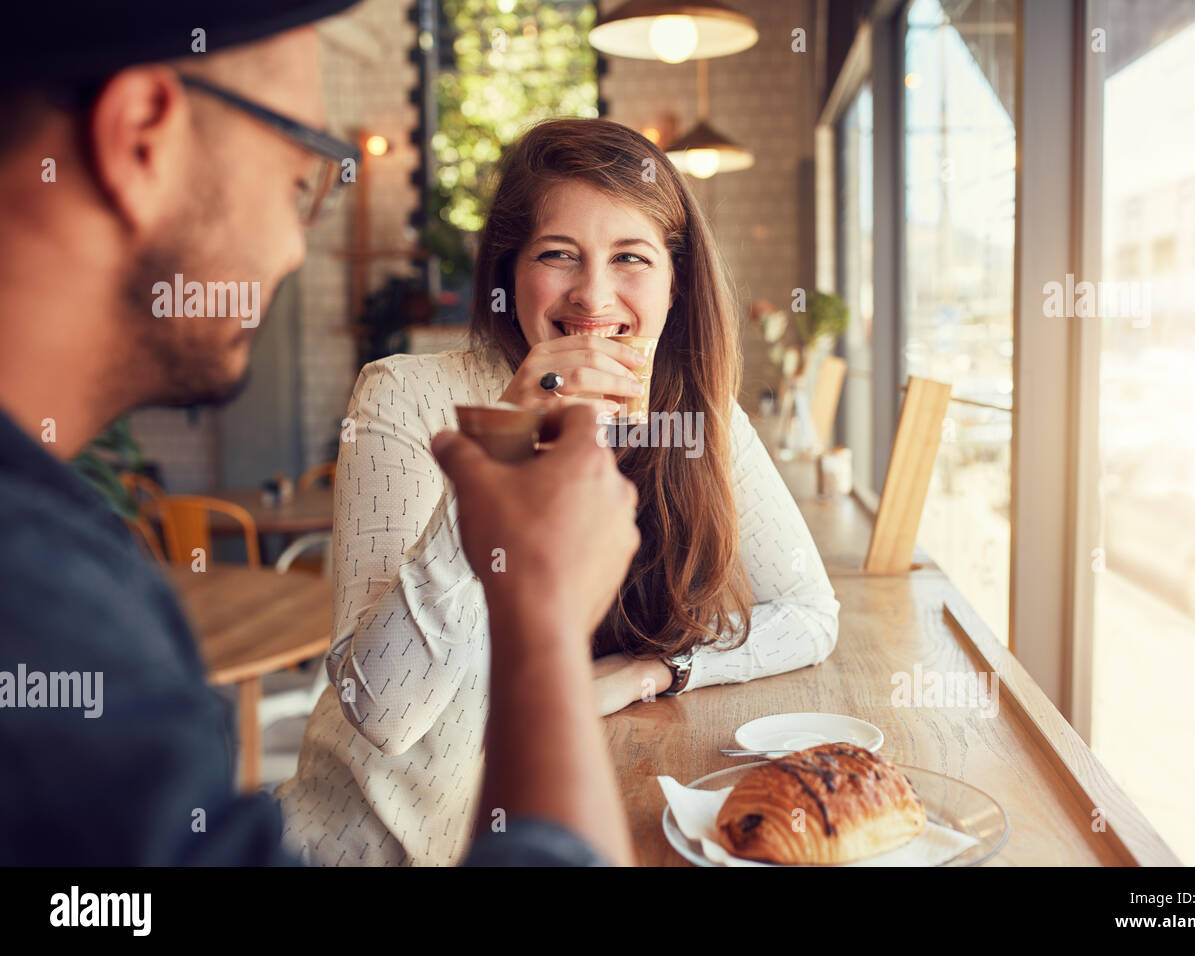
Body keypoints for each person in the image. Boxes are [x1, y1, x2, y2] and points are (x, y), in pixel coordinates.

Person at [0, 1, 636, 867]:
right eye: (305, 179)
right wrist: (543, 613)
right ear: (140, 137)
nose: (298, 249)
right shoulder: (40, 607)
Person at [278, 117, 841, 865]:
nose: (593, 295)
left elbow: (809, 614)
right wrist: (503, 447)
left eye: (631, 258)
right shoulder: (403, 396)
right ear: (510, 274)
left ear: (675, 284)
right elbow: (379, 710)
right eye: (558, 255)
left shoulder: (699, 419)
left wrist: (658, 670)